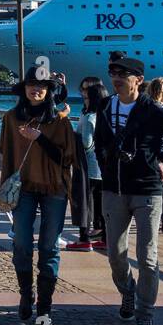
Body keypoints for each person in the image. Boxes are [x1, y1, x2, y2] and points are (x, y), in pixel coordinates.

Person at [93, 53, 163, 325]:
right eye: (113, 74)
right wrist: (104, 162)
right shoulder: (104, 106)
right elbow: (100, 141)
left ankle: (145, 313)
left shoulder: (153, 109)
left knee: (148, 257)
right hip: (113, 189)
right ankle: (127, 292)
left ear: (137, 79)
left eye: (122, 75)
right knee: (115, 253)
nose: (116, 79)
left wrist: (158, 159)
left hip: (148, 190)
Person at [0, 69, 78, 323]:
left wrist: (40, 138)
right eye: (32, 84)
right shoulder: (11, 119)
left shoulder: (59, 120)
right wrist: (4, 186)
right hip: (24, 188)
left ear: (49, 90)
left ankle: (45, 303)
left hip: (54, 187)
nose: (37, 89)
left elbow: (68, 157)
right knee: (21, 242)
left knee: (49, 246)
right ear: (24, 88)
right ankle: (25, 294)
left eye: (42, 86)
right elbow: (7, 155)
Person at [66, 77, 108, 250]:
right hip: (101, 168)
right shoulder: (104, 115)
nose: (84, 98)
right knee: (101, 204)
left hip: (87, 167)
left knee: (84, 202)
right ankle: (105, 238)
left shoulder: (90, 116)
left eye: (86, 97)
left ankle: (84, 239)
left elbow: (86, 143)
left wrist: (71, 137)